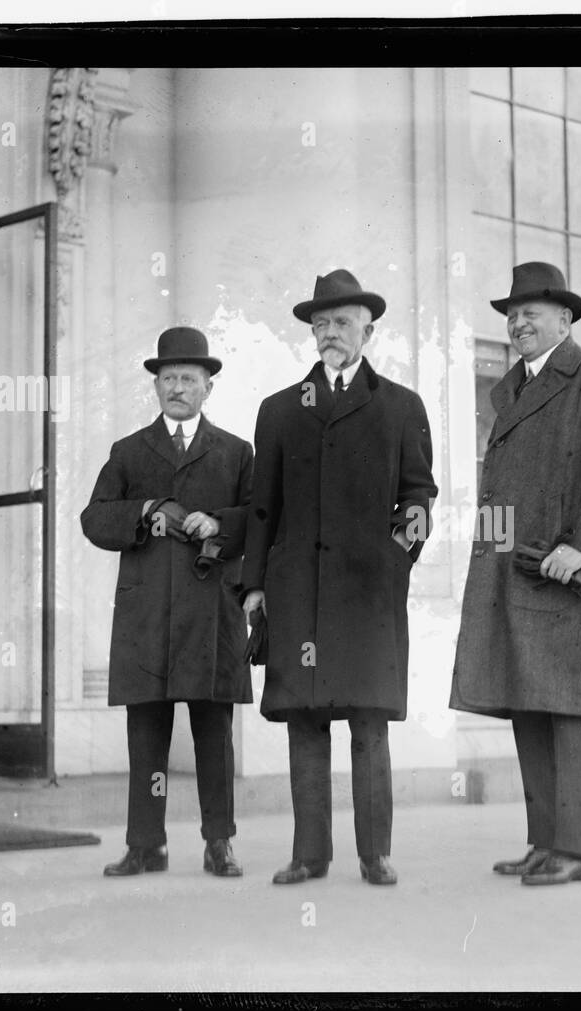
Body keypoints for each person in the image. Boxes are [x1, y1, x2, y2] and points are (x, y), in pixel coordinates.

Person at [450, 263, 581, 886]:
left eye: (531, 312)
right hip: (518, 576)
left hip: (570, 583)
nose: (518, 323)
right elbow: (503, 496)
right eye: (512, 314)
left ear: (565, 320)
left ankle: (575, 851)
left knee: (569, 714)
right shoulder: (511, 390)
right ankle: (544, 843)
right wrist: (488, 567)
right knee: (529, 710)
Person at [242, 269, 437, 887]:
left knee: (369, 723)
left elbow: (418, 496)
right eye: (320, 324)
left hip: (368, 593)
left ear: (368, 329)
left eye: (342, 322)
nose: (330, 333)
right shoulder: (279, 410)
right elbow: (261, 506)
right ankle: (310, 854)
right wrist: (254, 584)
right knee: (305, 722)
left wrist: (396, 558)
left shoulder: (402, 407)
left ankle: (374, 853)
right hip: (297, 590)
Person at [81, 326, 253, 878]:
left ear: (208, 388)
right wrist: (144, 507)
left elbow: (260, 518)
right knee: (146, 734)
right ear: (156, 387)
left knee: (213, 734)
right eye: (169, 378)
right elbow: (94, 518)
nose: (178, 387)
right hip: (148, 613)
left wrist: (219, 522)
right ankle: (144, 845)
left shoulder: (235, 452)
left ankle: (219, 842)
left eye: (189, 378)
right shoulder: (129, 451)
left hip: (210, 613)